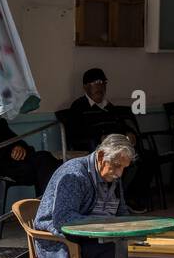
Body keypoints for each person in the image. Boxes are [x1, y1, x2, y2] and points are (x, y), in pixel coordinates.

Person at [33, 134, 169, 258]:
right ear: (100, 156)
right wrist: (104, 227)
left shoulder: (112, 173)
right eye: (116, 166)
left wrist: (132, 232)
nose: (120, 173)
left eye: (124, 168)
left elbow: (121, 213)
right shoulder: (74, 175)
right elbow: (64, 220)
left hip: (102, 237)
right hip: (66, 241)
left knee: (151, 256)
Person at [55, 67, 157, 211]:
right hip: (96, 149)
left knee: (147, 157)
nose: (100, 86)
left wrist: (129, 132)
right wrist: (99, 138)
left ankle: (131, 196)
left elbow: (121, 126)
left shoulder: (109, 107)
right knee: (116, 161)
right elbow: (75, 134)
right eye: (96, 83)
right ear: (86, 87)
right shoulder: (78, 107)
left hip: (117, 146)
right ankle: (120, 198)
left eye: (103, 82)